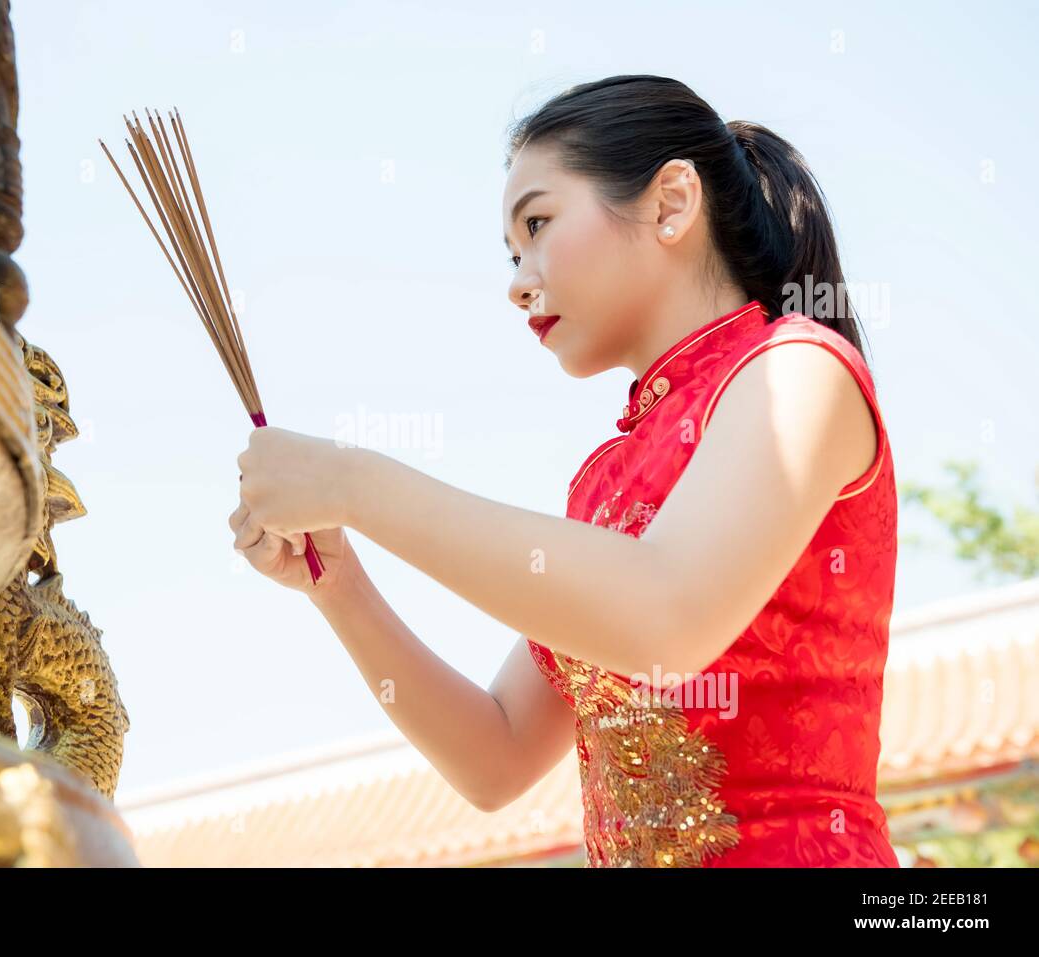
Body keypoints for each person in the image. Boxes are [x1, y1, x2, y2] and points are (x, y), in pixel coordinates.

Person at [229, 75, 898, 867]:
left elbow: (667, 615)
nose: (517, 281)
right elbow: (496, 754)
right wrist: (338, 585)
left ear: (672, 203)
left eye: (538, 224)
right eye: (513, 252)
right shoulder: (605, 484)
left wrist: (353, 481)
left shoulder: (800, 370)